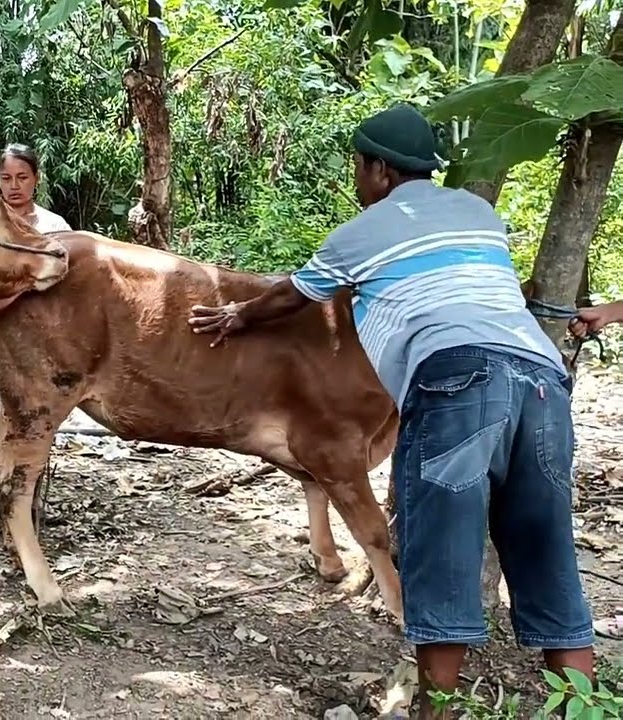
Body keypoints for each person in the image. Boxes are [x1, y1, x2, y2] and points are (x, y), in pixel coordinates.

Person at [187, 104, 596, 718]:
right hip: (542, 384)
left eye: (359, 166)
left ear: (378, 169)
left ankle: (437, 712)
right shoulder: (478, 212)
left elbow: (293, 297)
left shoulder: (365, 230)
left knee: (440, 555)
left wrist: (235, 315)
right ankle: (586, 708)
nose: (358, 178)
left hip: (457, 383)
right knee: (547, 555)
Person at [0, 143, 72, 542]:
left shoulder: (54, 226)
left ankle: (28, 508)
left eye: (22, 177)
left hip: (41, 349)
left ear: (36, 179)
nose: (14, 186)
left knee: (33, 431)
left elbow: (63, 283)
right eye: (6, 178)